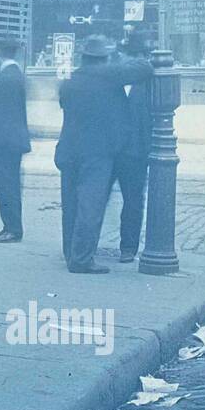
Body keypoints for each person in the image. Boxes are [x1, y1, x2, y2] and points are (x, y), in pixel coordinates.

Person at [54, 33, 150, 273]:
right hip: (96, 153)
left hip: (68, 150)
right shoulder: (108, 75)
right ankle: (81, 260)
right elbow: (144, 67)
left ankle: (71, 253)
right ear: (104, 58)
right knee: (90, 207)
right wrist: (117, 61)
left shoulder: (70, 80)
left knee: (71, 206)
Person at [0, 39, 30, 243]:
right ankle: (9, 226)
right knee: (8, 186)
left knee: (7, 186)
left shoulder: (8, 78)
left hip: (6, 143)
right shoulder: (13, 75)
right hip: (11, 141)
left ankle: (13, 229)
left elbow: (3, 115)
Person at [111, 29, 154, 262]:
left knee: (133, 201)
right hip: (109, 150)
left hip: (135, 152)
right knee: (96, 198)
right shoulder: (113, 78)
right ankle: (86, 246)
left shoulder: (149, 81)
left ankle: (128, 248)